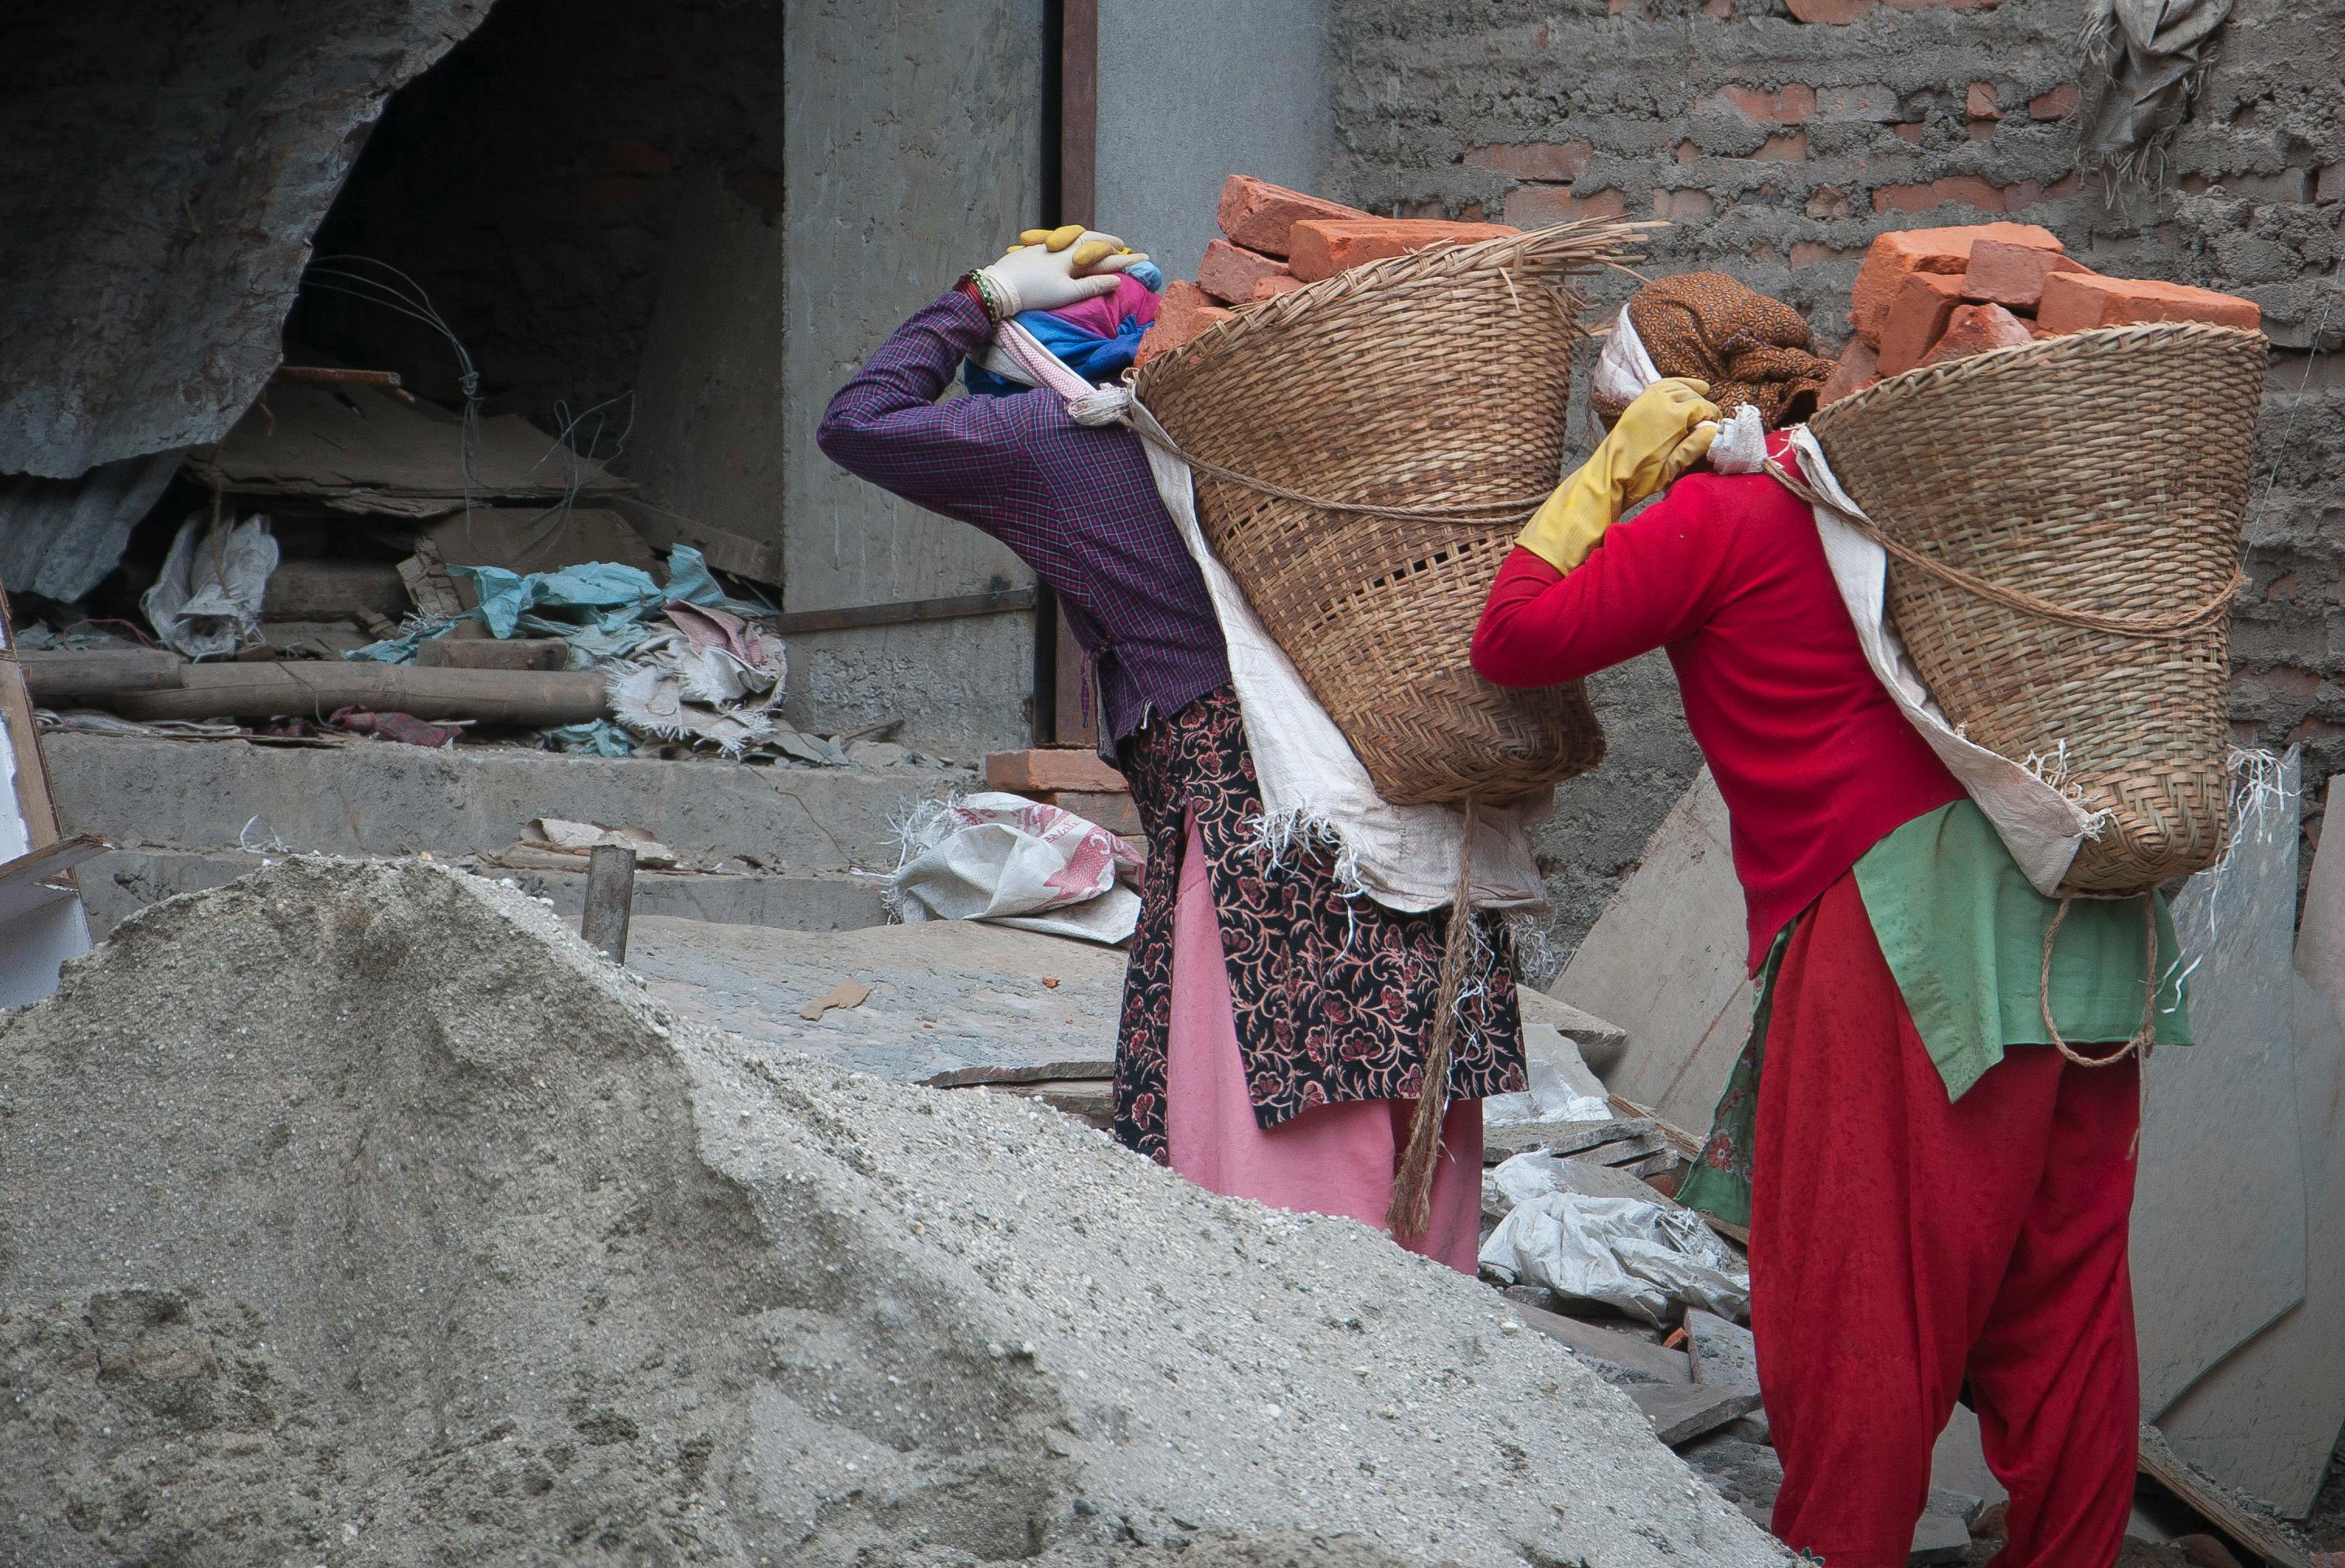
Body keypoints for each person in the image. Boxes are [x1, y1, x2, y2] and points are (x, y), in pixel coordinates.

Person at [1468, 270, 2184, 1568]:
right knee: (2065, 1298)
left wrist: (1602, 489)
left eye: (1604, 412)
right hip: (2079, 901)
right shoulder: (1882, 480)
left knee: (1864, 1298)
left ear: (1649, 408)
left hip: (1905, 930)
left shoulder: (1722, 516)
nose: (1599, 433)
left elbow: (1515, 635)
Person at [816, 223, 1524, 1265]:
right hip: (1395, 795)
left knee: (1273, 1123)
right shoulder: (1255, 431)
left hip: (1253, 834)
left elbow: (860, 421)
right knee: (1406, 1094)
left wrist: (978, 295)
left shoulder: (1047, 442)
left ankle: (1301, 1380)